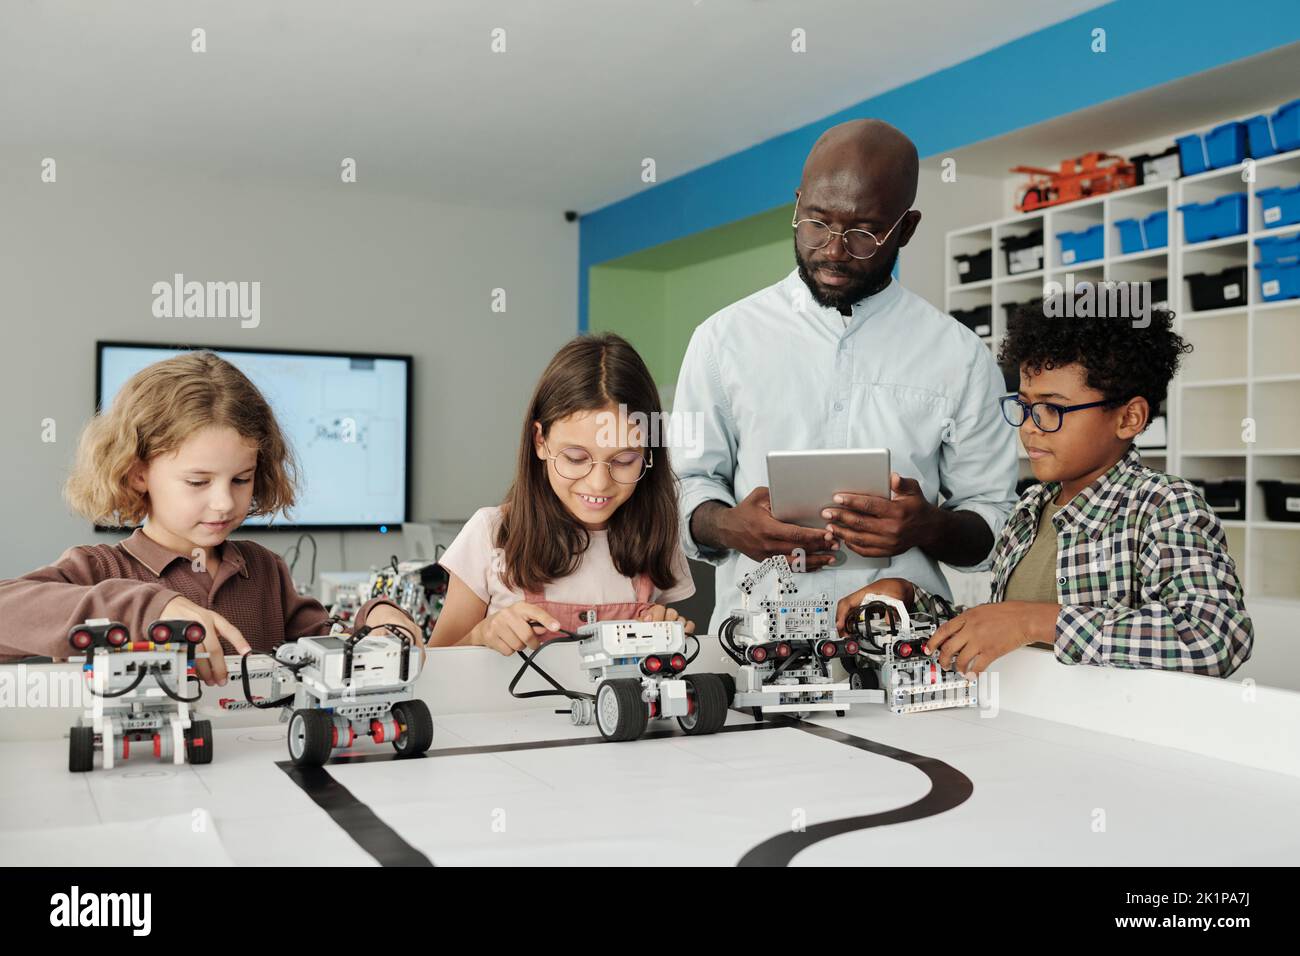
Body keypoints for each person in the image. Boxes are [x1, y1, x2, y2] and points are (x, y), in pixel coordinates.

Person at [673, 118, 1017, 632]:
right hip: (755, 636)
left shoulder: (961, 356)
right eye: (817, 222)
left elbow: (994, 520)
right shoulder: (722, 340)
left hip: (900, 645)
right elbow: (687, 481)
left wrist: (930, 526)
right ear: (797, 205)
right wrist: (729, 525)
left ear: (907, 228)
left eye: (865, 232)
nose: (834, 250)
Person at [838, 304, 1253, 677]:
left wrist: (1035, 621)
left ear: (1129, 418)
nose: (1030, 425)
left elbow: (1214, 635)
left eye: (1053, 408)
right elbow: (1003, 624)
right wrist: (911, 601)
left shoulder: (1161, 505)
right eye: (1024, 406)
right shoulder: (1032, 507)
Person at [0, 351, 419, 684]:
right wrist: (151, 607)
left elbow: (329, 640)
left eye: (241, 479)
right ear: (138, 472)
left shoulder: (264, 571)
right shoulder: (98, 569)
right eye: (198, 482)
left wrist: (375, 618)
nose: (223, 503)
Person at [432, 333, 696, 656]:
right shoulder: (492, 534)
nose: (599, 484)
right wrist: (480, 635)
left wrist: (667, 631)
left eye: (625, 461)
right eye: (575, 458)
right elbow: (434, 672)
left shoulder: (656, 536)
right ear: (540, 441)